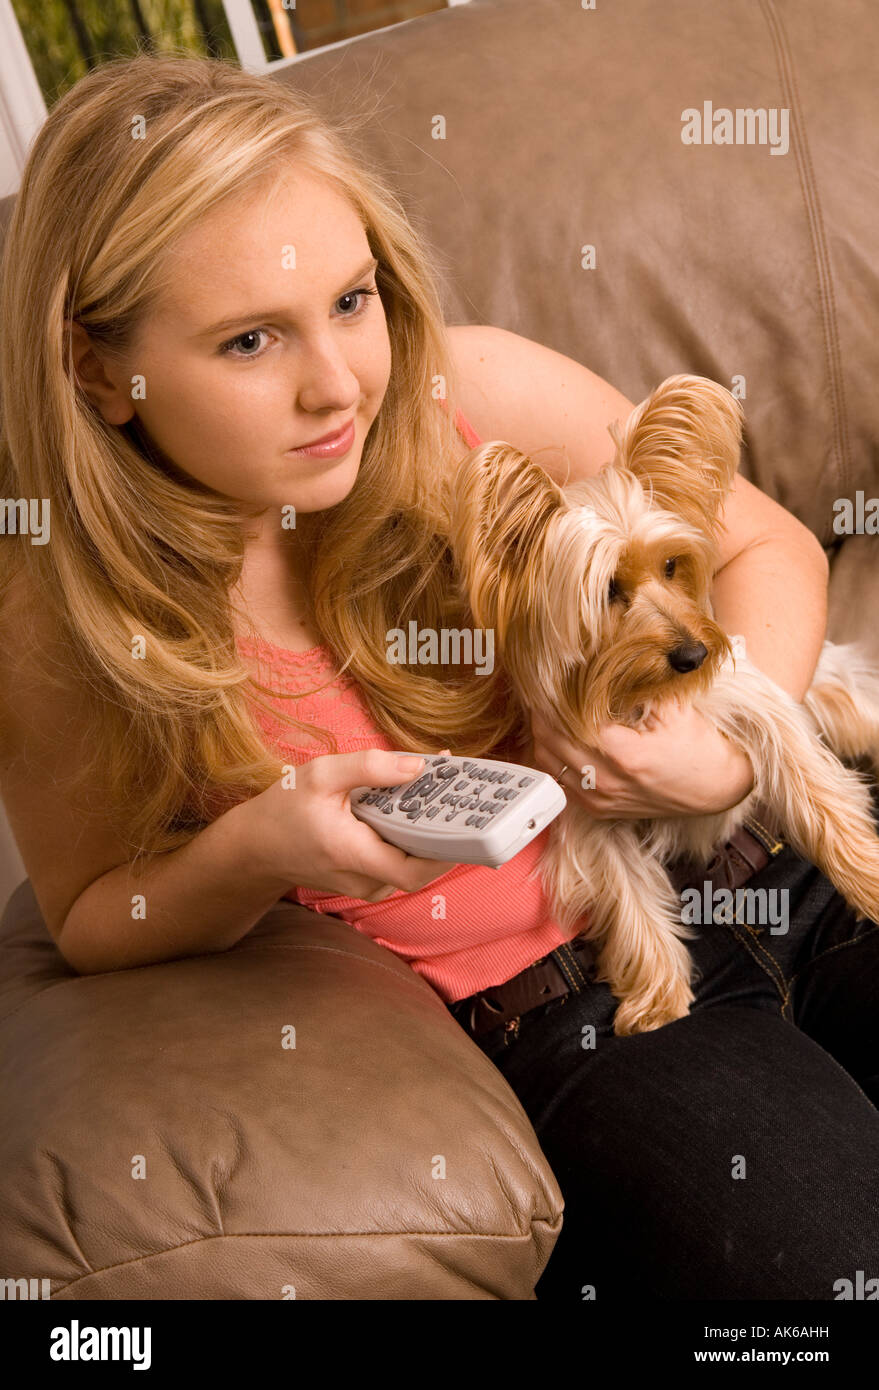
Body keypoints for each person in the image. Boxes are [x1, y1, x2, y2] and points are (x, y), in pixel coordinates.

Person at [0, 52, 875, 1300]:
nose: (339, 384)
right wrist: (261, 849)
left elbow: (761, 540)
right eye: (250, 339)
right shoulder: (65, 621)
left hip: (785, 846)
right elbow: (93, 916)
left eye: (352, 301)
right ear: (97, 369)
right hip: (592, 1013)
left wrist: (738, 750)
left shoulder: (470, 391)